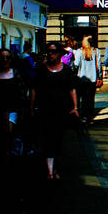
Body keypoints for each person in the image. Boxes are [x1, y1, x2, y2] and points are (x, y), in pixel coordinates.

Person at [31, 42, 78, 179]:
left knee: (58, 138)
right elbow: (34, 89)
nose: (50, 54)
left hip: (62, 110)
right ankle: (50, 170)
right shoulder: (41, 69)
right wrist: (32, 107)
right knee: (47, 138)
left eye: (53, 51)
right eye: (49, 51)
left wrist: (75, 107)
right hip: (45, 109)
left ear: (59, 54)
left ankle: (54, 166)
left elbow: (72, 89)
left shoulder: (67, 70)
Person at [0, 48, 28, 162]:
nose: (5, 60)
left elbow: (22, 94)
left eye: (7, 57)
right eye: (2, 58)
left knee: (9, 134)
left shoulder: (16, 74)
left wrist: (22, 110)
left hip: (12, 110)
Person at [73, 35, 103, 124]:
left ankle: (83, 116)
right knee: (90, 98)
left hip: (81, 78)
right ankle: (90, 116)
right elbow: (99, 67)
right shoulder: (97, 51)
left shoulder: (79, 52)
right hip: (92, 79)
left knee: (82, 98)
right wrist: (100, 76)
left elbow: (76, 64)